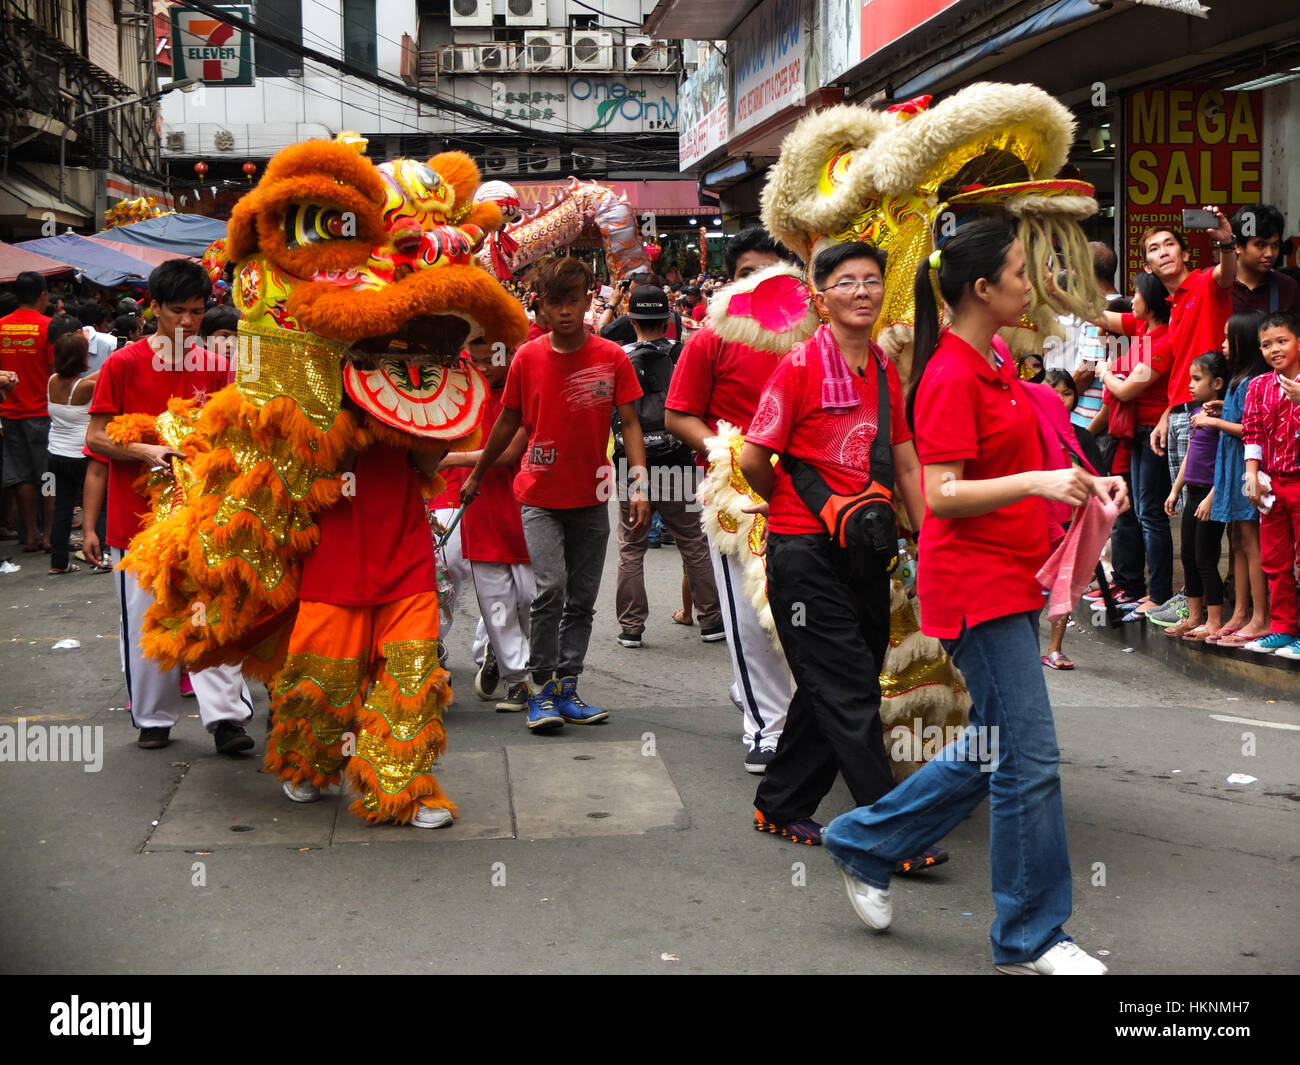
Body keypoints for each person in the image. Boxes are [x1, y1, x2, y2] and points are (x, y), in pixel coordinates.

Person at [822, 219, 1126, 975]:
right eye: (1020, 271)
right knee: (1032, 759)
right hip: (974, 585)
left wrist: (1084, 481)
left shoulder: (991, 360)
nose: (1031, 283)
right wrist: (1038, 481)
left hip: (1011, 577)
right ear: (981, 288)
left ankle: (862, 840)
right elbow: (941, 493)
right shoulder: (952, 372)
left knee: (994, 750)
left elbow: (1020, 461)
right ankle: (1031, 935)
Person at [739, 241, 927, 848]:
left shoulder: (881, 371)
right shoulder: (797, 366)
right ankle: (889, 830)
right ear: (821, 299)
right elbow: (752, 457)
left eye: (872, 280)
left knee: (842, 678)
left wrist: (926, 530)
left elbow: (903, 456)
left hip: (866, 548)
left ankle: (781, 803)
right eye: (846, 282)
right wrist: (793, 503)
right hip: (803, 551)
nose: (863, 291)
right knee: (846, 686)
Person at [462, 256, 649, 731]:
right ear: (541, 307)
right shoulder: (527, 357)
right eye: (554, 302)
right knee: (550, 589)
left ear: (589, 300)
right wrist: (479, 473)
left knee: (583, 598)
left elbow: (630, 424)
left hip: (591, 498)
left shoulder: (611, 357)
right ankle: (539, 689)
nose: (565, 311)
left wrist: (640, 485)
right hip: (539, 497)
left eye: (573, 300)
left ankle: (568, 687)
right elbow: (508, 421)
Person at [86, 260, 256, 754]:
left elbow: (234, 438)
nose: (186, 322)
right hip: (135, 520)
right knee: (145, 619)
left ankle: (226, 718)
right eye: (176, 311)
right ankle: (154, 719)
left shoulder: (217, 365)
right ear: (153, 308)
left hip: (202, 516)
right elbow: (97, 437)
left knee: (214, 613)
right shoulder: (123, 364)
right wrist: (143, 451)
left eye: (196, 312)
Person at [665, 228, 796, 773]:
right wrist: (725, 451)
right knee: (747, 611)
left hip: (806, 492)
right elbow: (679, 414)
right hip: (732, 495)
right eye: (747, 275)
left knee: (796, 611)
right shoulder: (709, 340)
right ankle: (767, 727)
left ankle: (786, 708)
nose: (758, 286)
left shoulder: (813, 339)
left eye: (770, 273)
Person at [613, 285, 723, 648]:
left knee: (632, 547)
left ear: (632, 320)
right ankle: (711, 621)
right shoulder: (684, 354)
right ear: (668, 319)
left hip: (632, 467)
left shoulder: (617, 358)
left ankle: (631, 628)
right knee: (693, 541)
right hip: (679, 461)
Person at [440, 337, 535, 713]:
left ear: (510, 354)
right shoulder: (461, 392)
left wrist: (451, 461)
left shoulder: (527, 389)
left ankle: (502, 654)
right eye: (475, 360)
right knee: (496, 601)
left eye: (489, 360)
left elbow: (510, 451)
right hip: (478, 508)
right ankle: (518, 680)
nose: (482, 367)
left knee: (530, 597)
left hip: (523, 503)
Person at [1092, 269, 1175, 617]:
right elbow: (1098, 314)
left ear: (1151, 302)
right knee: (1142, 513)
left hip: (1152, 435)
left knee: (1151, 515)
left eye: (1137, 294)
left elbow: (1126, 389)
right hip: (1137, 435)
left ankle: (1158, 594)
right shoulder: (1142, 329)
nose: (1132, 300)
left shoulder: (1163, 342)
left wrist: (1104, 372)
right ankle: (1144, 590)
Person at [1146, 213, 1236, 511]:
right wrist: (1166, 415)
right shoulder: (1171, 308)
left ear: (1184, 254)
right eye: (1154, 248)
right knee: (1187, 513)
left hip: (1207, 411)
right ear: (1148, 267)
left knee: (1205, 514)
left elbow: (1226, 274)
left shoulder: (1204, 282)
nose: (1163, 251)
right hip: (1180, 413)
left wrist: (1226, 243)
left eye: (1169, 244)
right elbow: (1180, 367)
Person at [1204, 311, 1270, 645]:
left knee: (1250, 542)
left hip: (1245, 468)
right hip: (1231, 467)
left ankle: (1260, 616)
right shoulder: (1237, 380)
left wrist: (1216, 423)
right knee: (1238, 542)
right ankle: (1241, 611)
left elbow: (1252, 430)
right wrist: (1221, 410)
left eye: (1229, 338)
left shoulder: (1250, 382)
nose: (1223, 344)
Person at [1242, 312, 1300, 657]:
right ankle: (1282, 628)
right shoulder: (1259, 386)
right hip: (1272, 484)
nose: (1274, 349)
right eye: (1266, 344)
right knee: (1276, 561)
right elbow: (1253, 432)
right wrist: (1251, 474)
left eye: (1282, 341)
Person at [1040, 370, 1105, 668]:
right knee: (1032, 588)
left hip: (1070, 523)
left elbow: (1099, 479)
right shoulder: (1030, 432)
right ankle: (1024, 647)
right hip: (1035, 520)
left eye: (1066, 393)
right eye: (1052, 392)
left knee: (1063, 586)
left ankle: (1055, 648)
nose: (1059, 399)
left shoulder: (1082, 437)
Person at [1162, 352, 1228, 641]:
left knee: (1205, 558)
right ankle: (1194, 616)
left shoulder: (1222, 418)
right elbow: (1190, 454)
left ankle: (1214, 620)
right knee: (1188, 556)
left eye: (1197, 379)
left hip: (1211, 495)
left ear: (1217, 383)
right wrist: (1176, 490)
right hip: (1192, 493)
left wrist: (1211, 497)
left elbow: (1227, 459)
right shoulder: (1196, 414)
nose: (1190, 385)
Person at [0, 271, 54, 552]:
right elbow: (58, 372)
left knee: (21, 475)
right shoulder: (48, 327)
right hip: (43, 413)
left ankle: (31, 535)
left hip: (9, 412)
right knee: (47, 475)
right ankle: (49, 535)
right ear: (43, 296)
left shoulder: (1, 327)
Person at [45, 331, 98, 574]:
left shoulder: (52, 380)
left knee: (62, 508)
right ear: (81, 358)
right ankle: (100, 554)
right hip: (82, 456)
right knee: (97, 505)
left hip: (55, 455)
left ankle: (58, 562)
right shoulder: (87, 387)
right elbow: (101, 379)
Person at [1229, 204, 1300, 316]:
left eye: (1275, 245)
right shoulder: (1214, 283)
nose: (1269, 253)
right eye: (1261, 245)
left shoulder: (1287, 288)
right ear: (1238, 246)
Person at [77, 302, 116, 374]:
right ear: (95, 327)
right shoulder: (111, 342)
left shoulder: (66, 342)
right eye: (104, 326)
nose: (106, 330)